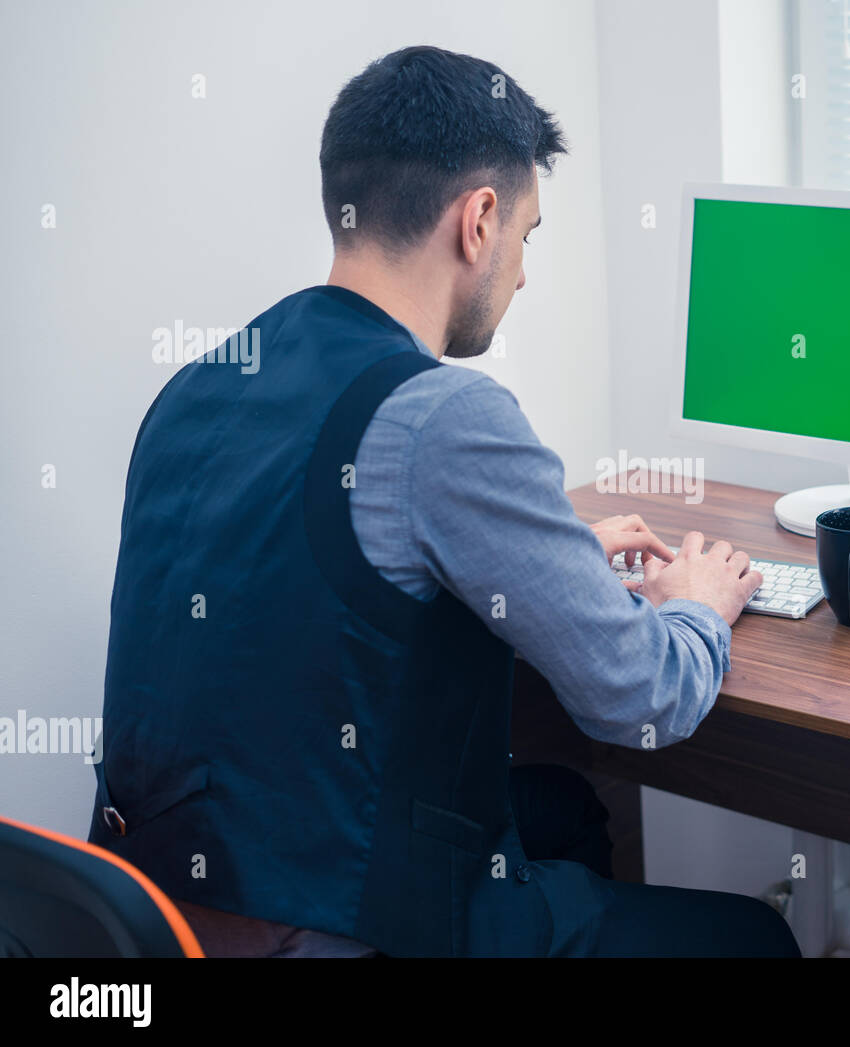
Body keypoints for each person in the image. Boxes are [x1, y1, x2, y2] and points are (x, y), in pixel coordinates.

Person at [89, 44, 799, 958]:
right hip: (328, 924)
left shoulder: (201, 382)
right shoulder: (444, 416)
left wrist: (538, 554)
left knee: (568, 810)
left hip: (157, 909)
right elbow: (641, 698)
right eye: (528, 238)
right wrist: (699, 608)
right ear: (479, 221)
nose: (524, 273)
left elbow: (292, 570)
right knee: (751, 938)